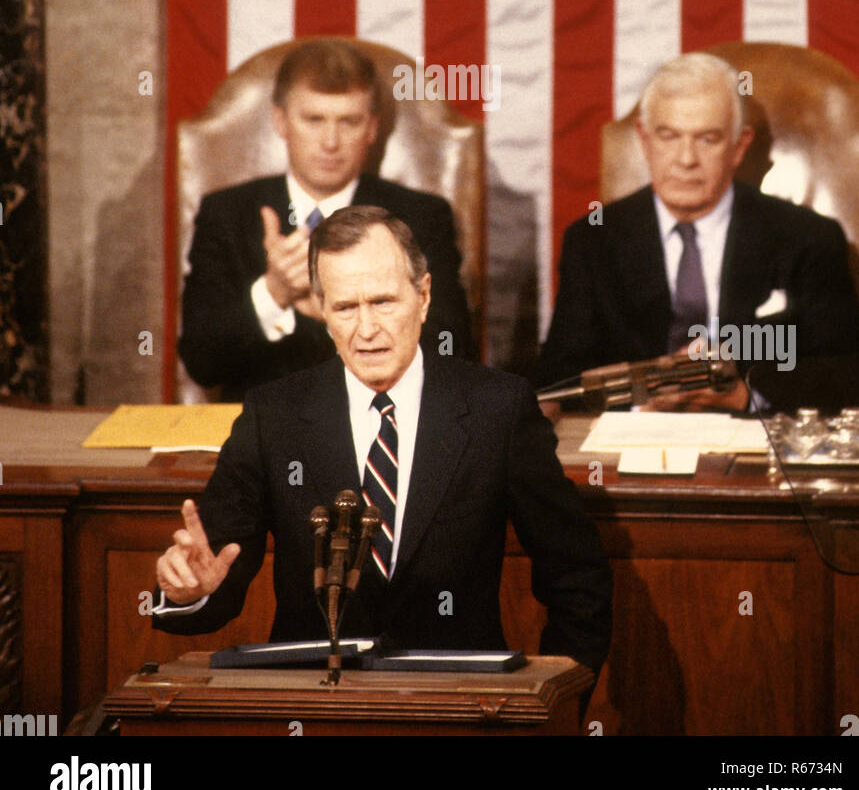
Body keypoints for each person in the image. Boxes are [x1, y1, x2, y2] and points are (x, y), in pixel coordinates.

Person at [155, 207, 612, 671]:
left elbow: (577, 575)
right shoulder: (274, 415)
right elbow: (212, 572)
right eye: (346, 308)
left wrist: (557, 697)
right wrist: (189, 590)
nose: (367, 330)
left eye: (383, 302)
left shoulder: (498, 408)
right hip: (315, 706)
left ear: (424, 296)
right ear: (322, 310)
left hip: (457, 707)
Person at [537, 53, 859, 413]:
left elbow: (852, 380)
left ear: (739, 146)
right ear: (645, 139)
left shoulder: (807, 238)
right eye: (669, 136)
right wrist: (637, 400)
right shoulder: (593, 239)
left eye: (707, 139)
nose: (686, 159)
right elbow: (558, 381)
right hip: (630, 445)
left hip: (752, 443)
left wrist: (747, 396)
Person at [179, 40, 473, 398]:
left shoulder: (421, 217)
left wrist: (340, 310)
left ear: (372, 129)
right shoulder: (226, 214)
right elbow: (200, 361)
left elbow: (453, 349)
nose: (330, 142)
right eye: (314, 120)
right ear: (281, 121)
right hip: (262, 431)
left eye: (349, 121)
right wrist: (273, 294)